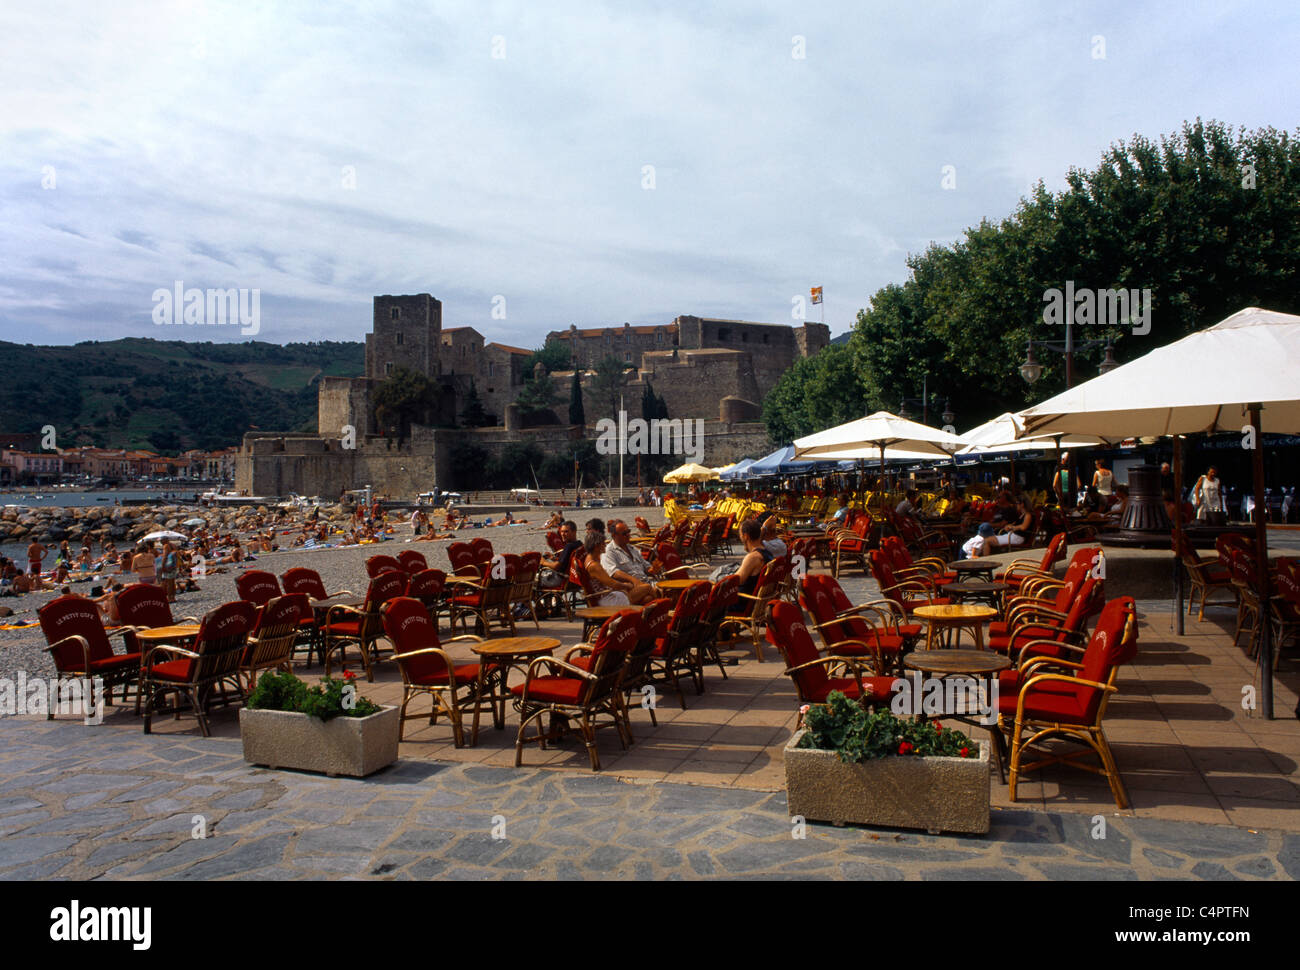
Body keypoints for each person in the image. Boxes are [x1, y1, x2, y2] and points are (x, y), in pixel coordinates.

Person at [601, 520, 657, 604]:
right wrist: (634, 580)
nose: (628, 535)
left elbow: (646, 566)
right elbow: (614, 572)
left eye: (628, 531)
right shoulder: (609, 551)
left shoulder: (633, 549)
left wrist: (653, 569)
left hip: (646, 582)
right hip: (629, 588)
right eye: (624, 533)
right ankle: (664, 606)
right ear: (614, 535)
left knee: (671, 590)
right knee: (649, 597)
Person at [580, 533, 632, 607]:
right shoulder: (594, 565)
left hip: (605, 595)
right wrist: (627, 585)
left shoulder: (590, 558)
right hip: (605, 599)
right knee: (644, 590)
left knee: (645, 596)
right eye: (603, 543)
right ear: (596, 546)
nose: (605, 545)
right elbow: (613, 584)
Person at [735, 518, 775, 598]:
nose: (740, 537)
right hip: (758, 598)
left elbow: (736, 581)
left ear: (746, 536)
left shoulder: (753, 558)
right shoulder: (767, 553)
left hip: (744, 601)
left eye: (740, 534)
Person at [539, 521, 583, 589]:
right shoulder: (580, 544)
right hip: (575, 579)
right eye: (561, 531)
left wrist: (543, 562)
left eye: (566, 532)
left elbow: (556, 566)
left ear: (574, 532)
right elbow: (567, 562)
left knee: (535, 580)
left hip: (562, 579)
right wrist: (554, 558)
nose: (562, 534)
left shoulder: (569, 546)